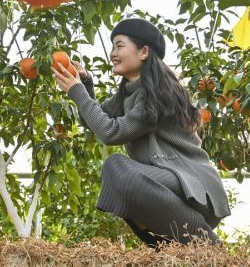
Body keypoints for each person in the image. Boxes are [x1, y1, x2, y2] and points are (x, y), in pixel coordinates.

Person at [52, 18, 230, 247]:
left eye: (119, 45)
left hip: (193, 187)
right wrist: (86, 84)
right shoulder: (127, 94)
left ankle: (209, 247)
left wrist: (76, 91)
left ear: (144, 51)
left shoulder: (156, 93)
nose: (112, 53)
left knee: (117, 167)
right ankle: (171, 251)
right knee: (120, 181)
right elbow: (94, 121)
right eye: (112, 46)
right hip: (165, 185)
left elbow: (110, 133)